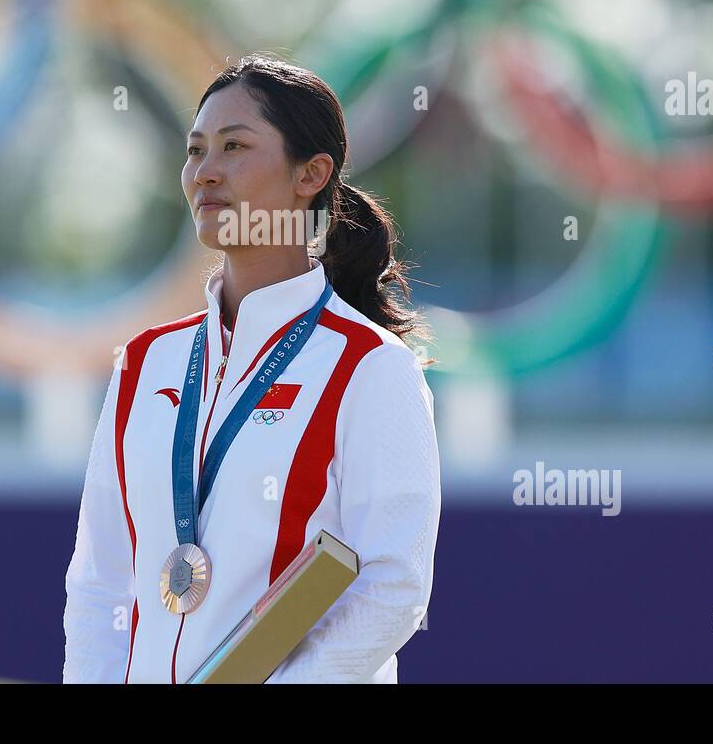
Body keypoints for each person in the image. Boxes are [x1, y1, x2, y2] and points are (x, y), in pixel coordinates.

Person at [62, 54, 440, 683]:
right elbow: (99, 585)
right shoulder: (145, 361)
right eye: (195, 151)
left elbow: (393, 585)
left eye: (234, 147)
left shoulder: (371, 367)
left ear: (311, 174)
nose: (204, 173)